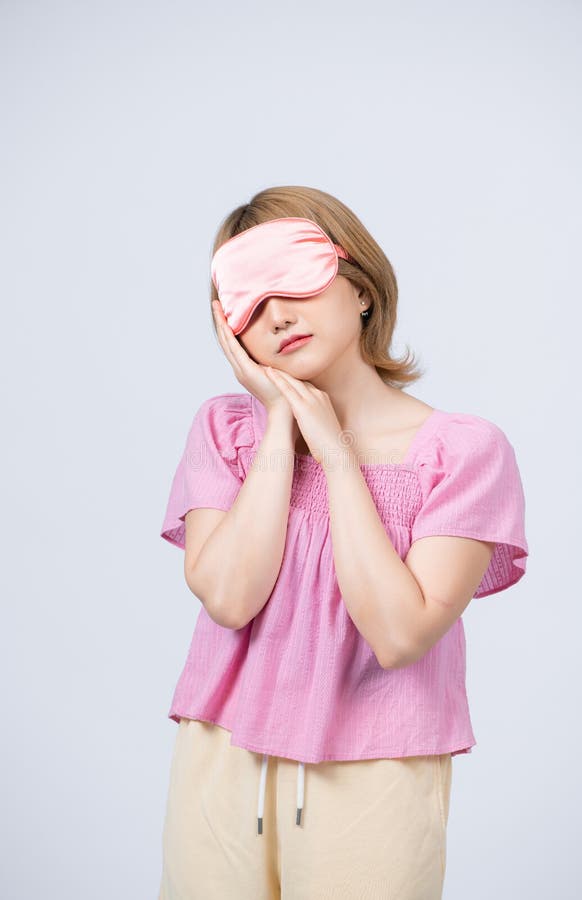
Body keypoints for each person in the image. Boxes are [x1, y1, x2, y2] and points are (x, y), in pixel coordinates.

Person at [157, 185, 529, 900]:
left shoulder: (461, 453)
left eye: (292, 281)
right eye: (248, 301)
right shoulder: (226, 434)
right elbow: (231, 598)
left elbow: (399, 633)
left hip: (374, 765)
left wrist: (333, 452)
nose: (277, 314)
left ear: (359, 286)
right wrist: (279, 424)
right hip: (220, 754)